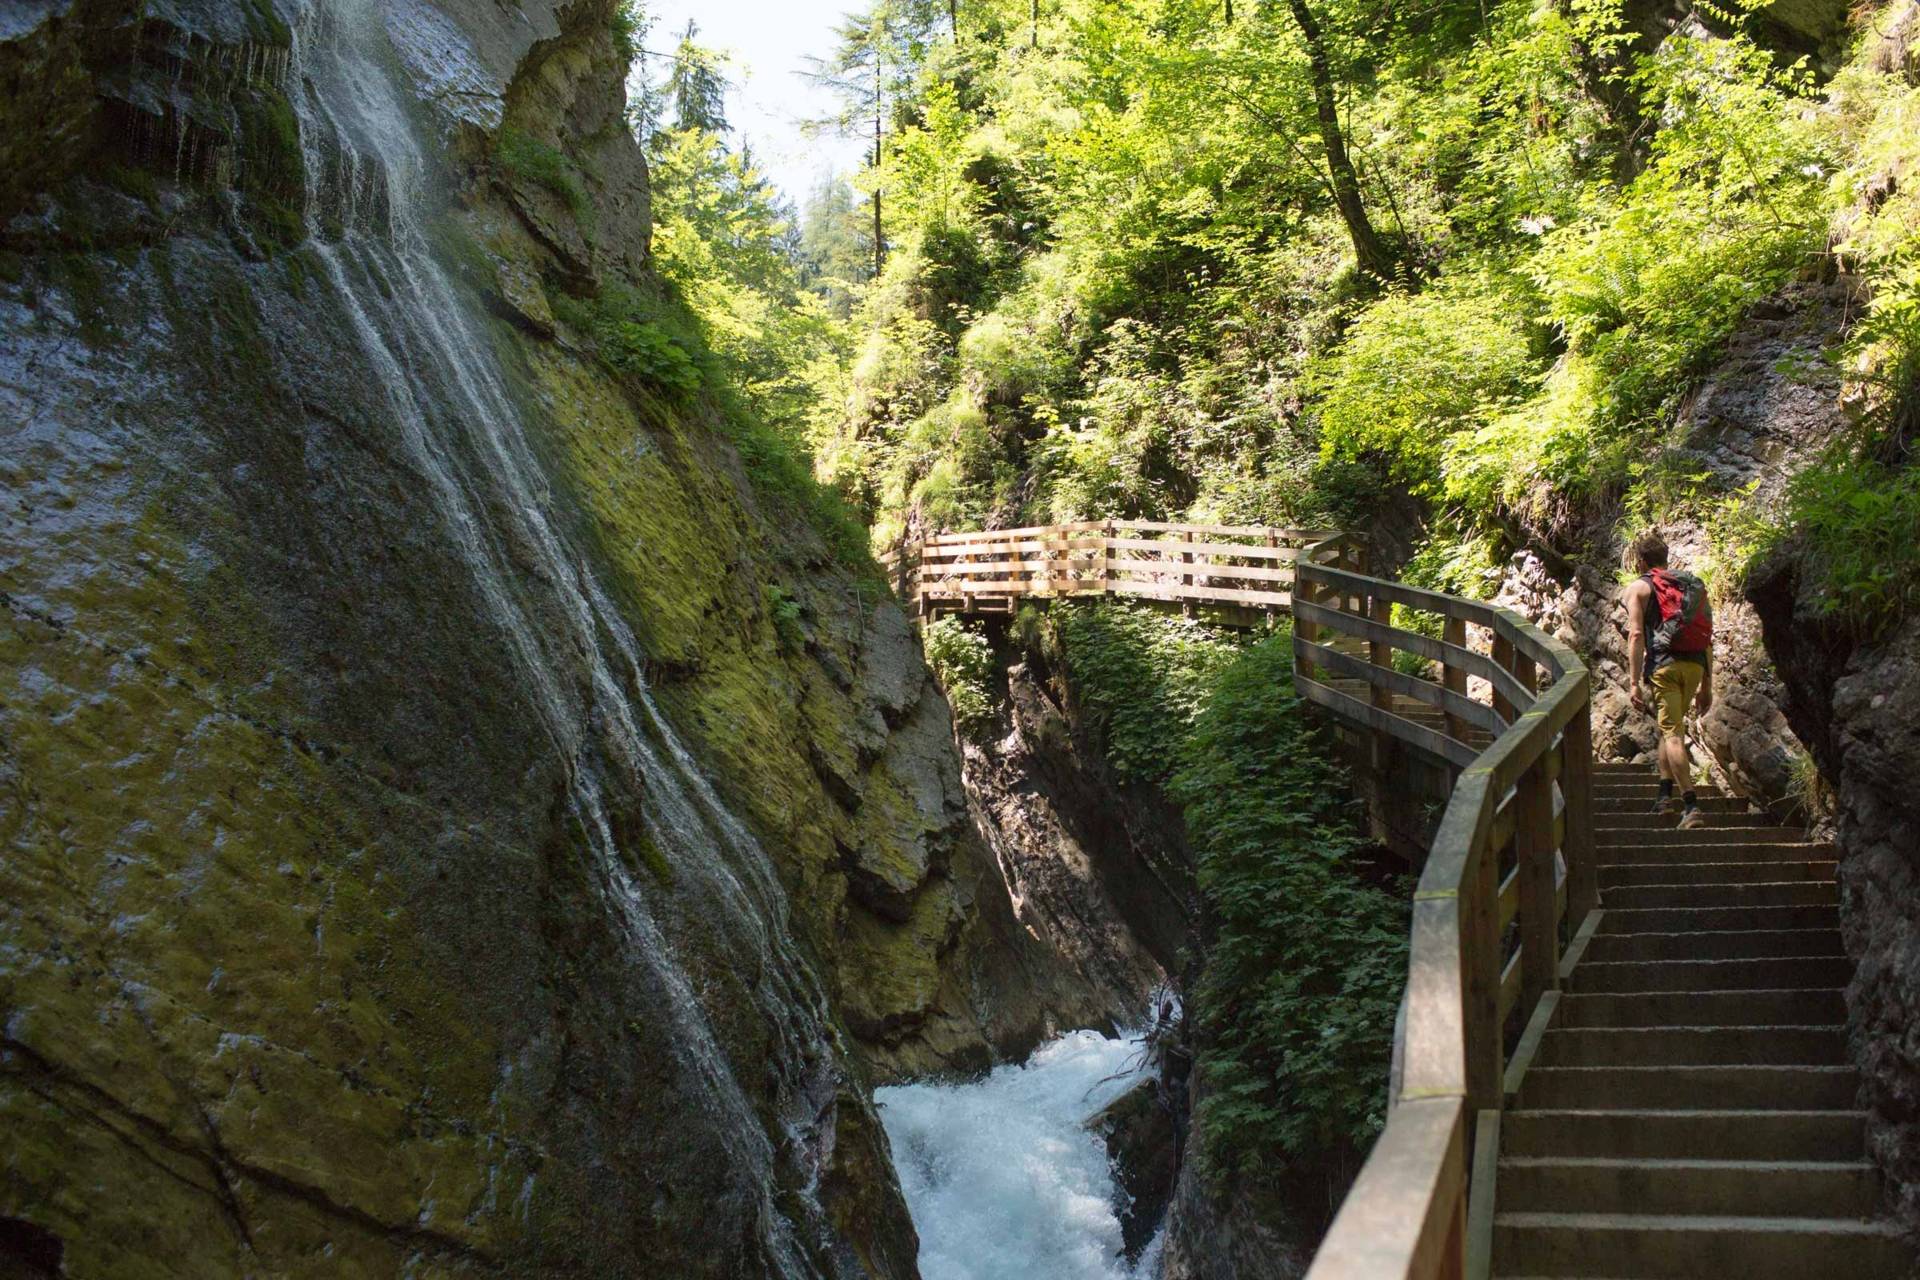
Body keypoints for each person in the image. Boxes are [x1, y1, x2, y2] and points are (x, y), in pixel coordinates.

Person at [1623, 533, 1714, 828]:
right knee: (1669, 727)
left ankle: (1691, 806)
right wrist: (1708, 685)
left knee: (1673, 733)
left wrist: (1634, 681)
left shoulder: (1639, 588)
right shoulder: (1691, 584)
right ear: (1666, 556)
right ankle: (1664, 797)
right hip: (1695, 665)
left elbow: (1636, 635)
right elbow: (1707, 634)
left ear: (1641, 560)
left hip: (1665, 667)